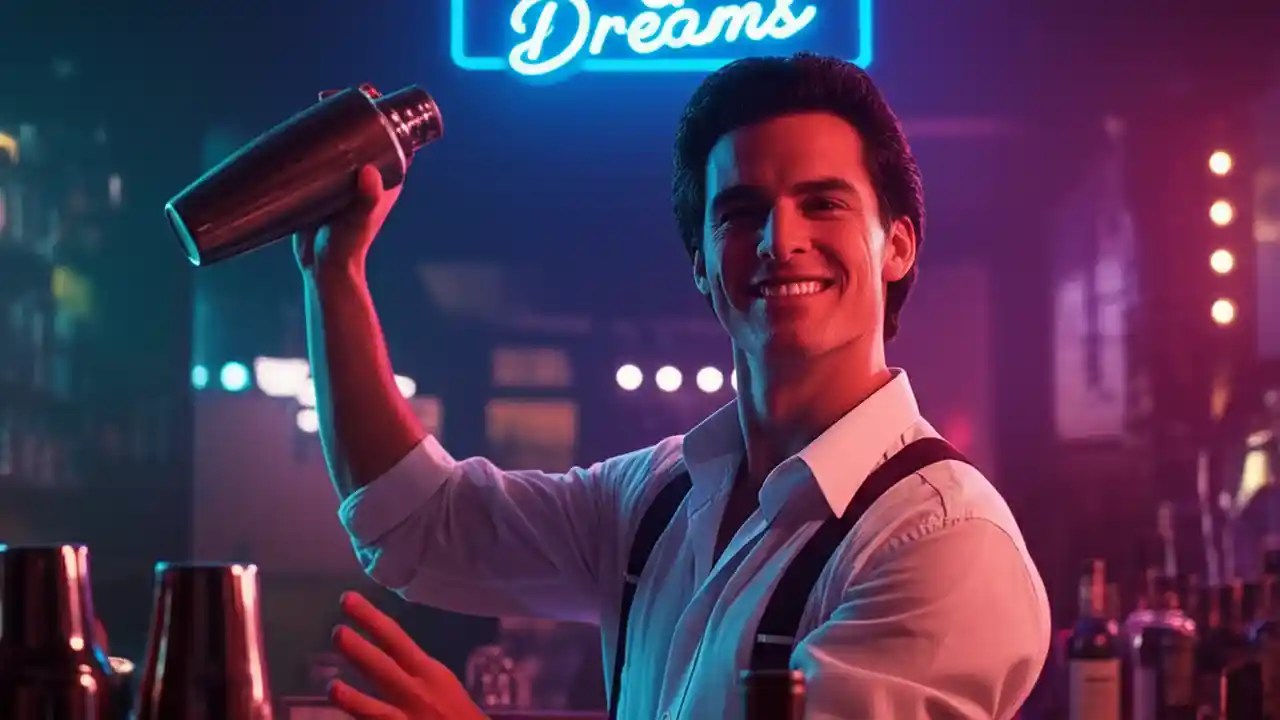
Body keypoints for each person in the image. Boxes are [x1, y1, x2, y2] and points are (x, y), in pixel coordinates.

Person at [297, 53, 1052, 719]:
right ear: (700, 263)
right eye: (741, 211)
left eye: (822, 203)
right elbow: (418, 521)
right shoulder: (659, 497)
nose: (780, 241)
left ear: (897, 245)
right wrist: (334, 270)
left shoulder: (945, 544)